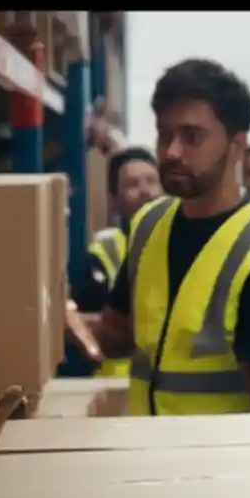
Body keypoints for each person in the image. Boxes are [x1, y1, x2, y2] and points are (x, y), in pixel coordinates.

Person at [83, 58, 250, 416]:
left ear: (237, 145)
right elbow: (119, 335)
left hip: (219, 468)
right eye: (165, 133)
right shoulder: (149, 226)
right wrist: (54, 318)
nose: (172, 151)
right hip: (146, 458)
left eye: (192, 136)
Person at [73, 146, 164, 376]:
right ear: (114, 198)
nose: (145, 191)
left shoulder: (185, 242)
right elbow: (89, 322)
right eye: (133, 184)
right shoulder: (103, 251)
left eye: (151, 181)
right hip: (115, 385)